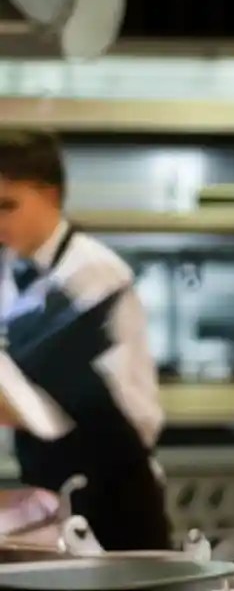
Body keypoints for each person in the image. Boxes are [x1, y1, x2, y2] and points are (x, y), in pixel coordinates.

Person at [0, 129, 171, 551]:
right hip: (50, 499)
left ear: (51, 195)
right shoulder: (13, 273)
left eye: (8, 205)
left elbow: (41, 400)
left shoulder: (94, 275)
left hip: (114, 502)